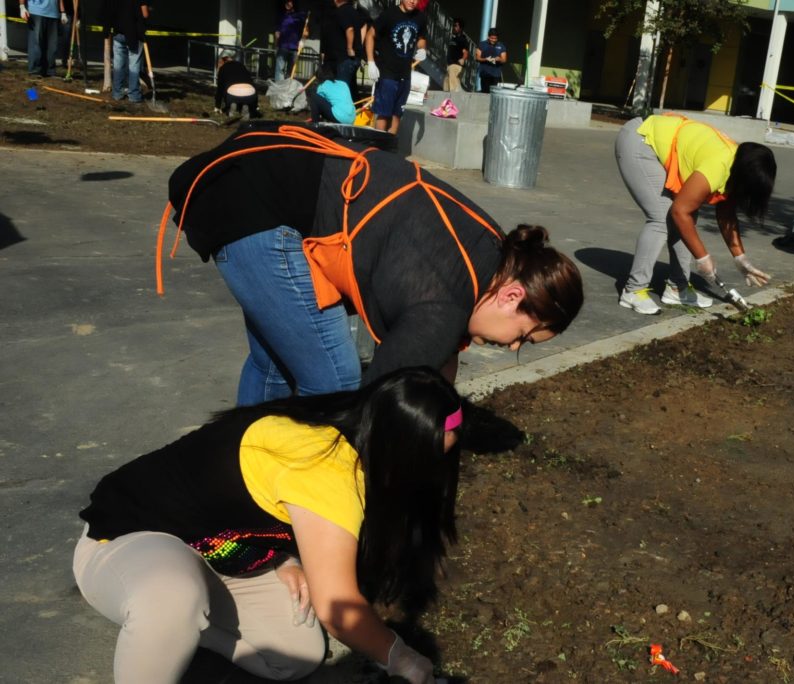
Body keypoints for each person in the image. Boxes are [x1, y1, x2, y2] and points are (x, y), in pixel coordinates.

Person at [74, 366, 462, 684]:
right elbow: (336, 608)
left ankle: (191, 629)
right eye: (426, 460)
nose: (432, 475)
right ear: (396, 449)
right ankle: (170, 624)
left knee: (295, 654)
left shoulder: (347, 426)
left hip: (217, 553)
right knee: (172, 598)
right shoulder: (329, 471)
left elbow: (253, 504)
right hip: (126, 542)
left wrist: (283, 559)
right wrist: (401, 657)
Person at [161, 125, 583, 404]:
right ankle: (276, 493)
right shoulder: (445, 304)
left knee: (277, 360)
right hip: (251, 206)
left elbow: (438, 360)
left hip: (250, 179)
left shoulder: (492, 250)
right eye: (524, 337)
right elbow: (376, 403)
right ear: (512, 296)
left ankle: (241, 471)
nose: (511, 348)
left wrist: (447, 417)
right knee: (334, 382)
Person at [615, 113, 776, 315]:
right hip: (640, 141)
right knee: (662, 217)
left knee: (686, 219)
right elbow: (679, 211)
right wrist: (703, 258)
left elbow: (726, 213)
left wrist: (740, 258)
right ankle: (633, 290)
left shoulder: (738, 167)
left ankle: (677, 287)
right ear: (744, 179)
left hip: (656, 141)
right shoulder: (718, 166)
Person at [365, 0, 427, 134]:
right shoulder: (389, 14)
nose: (413, 1)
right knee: (383, 113)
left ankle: (390, 148)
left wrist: (422, 49)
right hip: (387, 72)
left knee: (397, 113)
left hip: (405, 73)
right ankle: (379, 147)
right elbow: (370, 34)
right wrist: (370, 62)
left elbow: (421, 38)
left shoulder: (420, 17)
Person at [100, 0, 147, 103]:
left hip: (118, 33)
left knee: (118, 65)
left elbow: (107, 12)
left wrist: (107, 29)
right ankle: (134, 95)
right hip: (134, 33)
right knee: (134, 65)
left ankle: (117, 93)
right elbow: (144, 14)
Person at [21, 0, 67, 77]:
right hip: (36, 12)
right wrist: (22, 7)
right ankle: (35, 70)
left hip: (53, 14)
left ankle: (50, 71)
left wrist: (63, 12)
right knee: (36, 43)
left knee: (52, 45)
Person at [215, 51, 260, 120]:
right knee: (245, 96)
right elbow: (251, 83)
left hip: (232, 94)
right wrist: (256, 106)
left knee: (229, 91)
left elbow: (220, 90)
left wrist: (217, 107)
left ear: (222, 61)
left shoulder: (223, 68)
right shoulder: (242, 66)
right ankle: (246, 105)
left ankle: (231, 106)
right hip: (251, 94)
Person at [273, 0, 305, 82]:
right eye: (286, 1)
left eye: (289, 2)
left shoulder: (300, 16)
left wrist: (302, 41)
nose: (287, 3)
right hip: (284, 46)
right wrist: (276, 46)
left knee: (289, 71)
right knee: (281, 69)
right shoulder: (282, 16)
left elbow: (306, 31)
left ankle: (286, 88)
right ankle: (280, 88)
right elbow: (277, 33)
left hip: (294, 47)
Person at [475, 27, 506, 93]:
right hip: (485, 73)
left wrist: (499, 59)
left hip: (496, 74)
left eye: (495, 38)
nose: (494, 40)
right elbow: (477, 58)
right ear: (488, 37)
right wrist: (486, 59)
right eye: (492, 38)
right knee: (485, 92)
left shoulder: (501, 45)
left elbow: (504, 59)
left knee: (493, 93)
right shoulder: (482, 44)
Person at [444, 17, 469, 92]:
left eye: (456, 25)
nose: (453, 27)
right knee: (446, 87)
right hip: (450, 66)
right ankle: (447, 102)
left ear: (460, 28)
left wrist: (463, 59)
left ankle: (453, 102)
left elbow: (465, 52)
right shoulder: (453, 39)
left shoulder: (462, 39)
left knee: (453, 89)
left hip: (456, 66)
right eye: (453, 25)